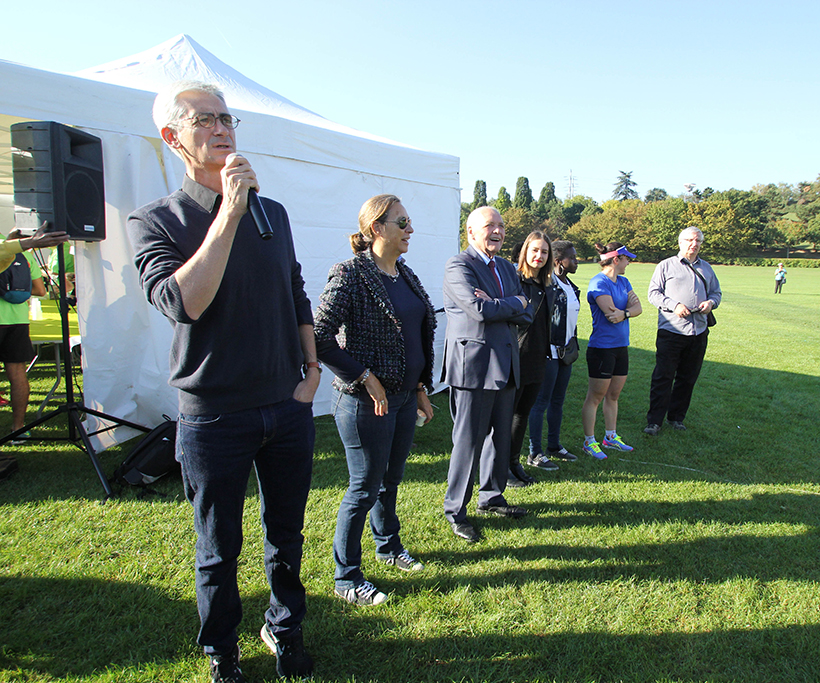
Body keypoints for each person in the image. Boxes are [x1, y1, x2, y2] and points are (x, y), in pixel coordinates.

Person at [127, 80, 318, 683]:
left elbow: (294, 292)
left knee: (286, 537)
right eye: (204, 119)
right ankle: (223, 654)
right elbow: (185, 303)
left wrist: (310, 372)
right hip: (213, 417)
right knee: (218, 550)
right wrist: (228, 213)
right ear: (172, 137)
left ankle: (284, 630)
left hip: (285, 407)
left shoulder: (273, 213)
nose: (222, 128)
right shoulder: (155, 219)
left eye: (227, 117)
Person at [314, 194, 436, 607]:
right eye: (402, 222)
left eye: (409, 221)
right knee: (363, 488)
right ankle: (346, 578)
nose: (410, 230)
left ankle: (388, 547)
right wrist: (364, 377)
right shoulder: (350, 274)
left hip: (403, 398)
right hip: (365, 403)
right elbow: (317, 336)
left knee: (391, 481)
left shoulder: (405, 273)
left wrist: (420, 387)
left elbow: (417, 336)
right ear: (375, 229)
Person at [441, 206, 533, 542]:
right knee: (469, 441)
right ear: (470, 232)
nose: (497, 231)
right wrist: (512, 303)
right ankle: (456, 511)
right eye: (489, 225)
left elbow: (528, 312)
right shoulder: (459, 265)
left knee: (500, 437)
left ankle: (491, 497)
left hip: (507, 364)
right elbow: (478, 310)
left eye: (501, 225)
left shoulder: (507, 267)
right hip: (474, 369)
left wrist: (506, 303)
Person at [643, 227, 721, 436]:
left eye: (697, 241)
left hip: (698, 331)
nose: (693, 244)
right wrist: (674, 305)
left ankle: (676, 418)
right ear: (680, 242)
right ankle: (654, 421)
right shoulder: (666, 266)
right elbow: (653, 294)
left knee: (688, 378)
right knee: (663, 376)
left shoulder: (707, 268)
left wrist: (711, 303)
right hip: (672, 331)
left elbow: (716, 293)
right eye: (689, 240)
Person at [581, 242, 642, 460]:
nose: (629, 263)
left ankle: (610, 436)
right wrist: (628, 311)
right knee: (595, 396)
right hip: (602, 348)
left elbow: (637, 309)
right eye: (627, 259)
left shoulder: (624, 281)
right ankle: (589, 441)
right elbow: (611, 314)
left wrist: (625, 313)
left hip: (621, 347)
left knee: (614, 395)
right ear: (616, 259)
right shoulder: (598, 282)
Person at [508, 231, 555, 486]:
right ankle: (499, 468)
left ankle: (514, 463)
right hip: (514, 357)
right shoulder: (514, 280)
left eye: (544, 252)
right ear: (525, 251)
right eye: (535, 250)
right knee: (506, 416)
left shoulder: (547, 286)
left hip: (538, 357)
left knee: (522, 414)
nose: (539, 256)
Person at [527, 240, 580, 465]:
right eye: (573, 258)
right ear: (558, 261)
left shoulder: (571, 286)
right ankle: (534, 452)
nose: (576, 261)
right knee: (541, 402)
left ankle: (554, 445)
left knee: (558, 401)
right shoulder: (547, 285)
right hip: (548, 353)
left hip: (566, 353)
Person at [1, 229, 56, 442]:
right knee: (18, 375)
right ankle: (19, 428)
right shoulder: (27, 256)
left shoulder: (5, 247)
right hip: (18, 320)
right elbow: (41, 290)